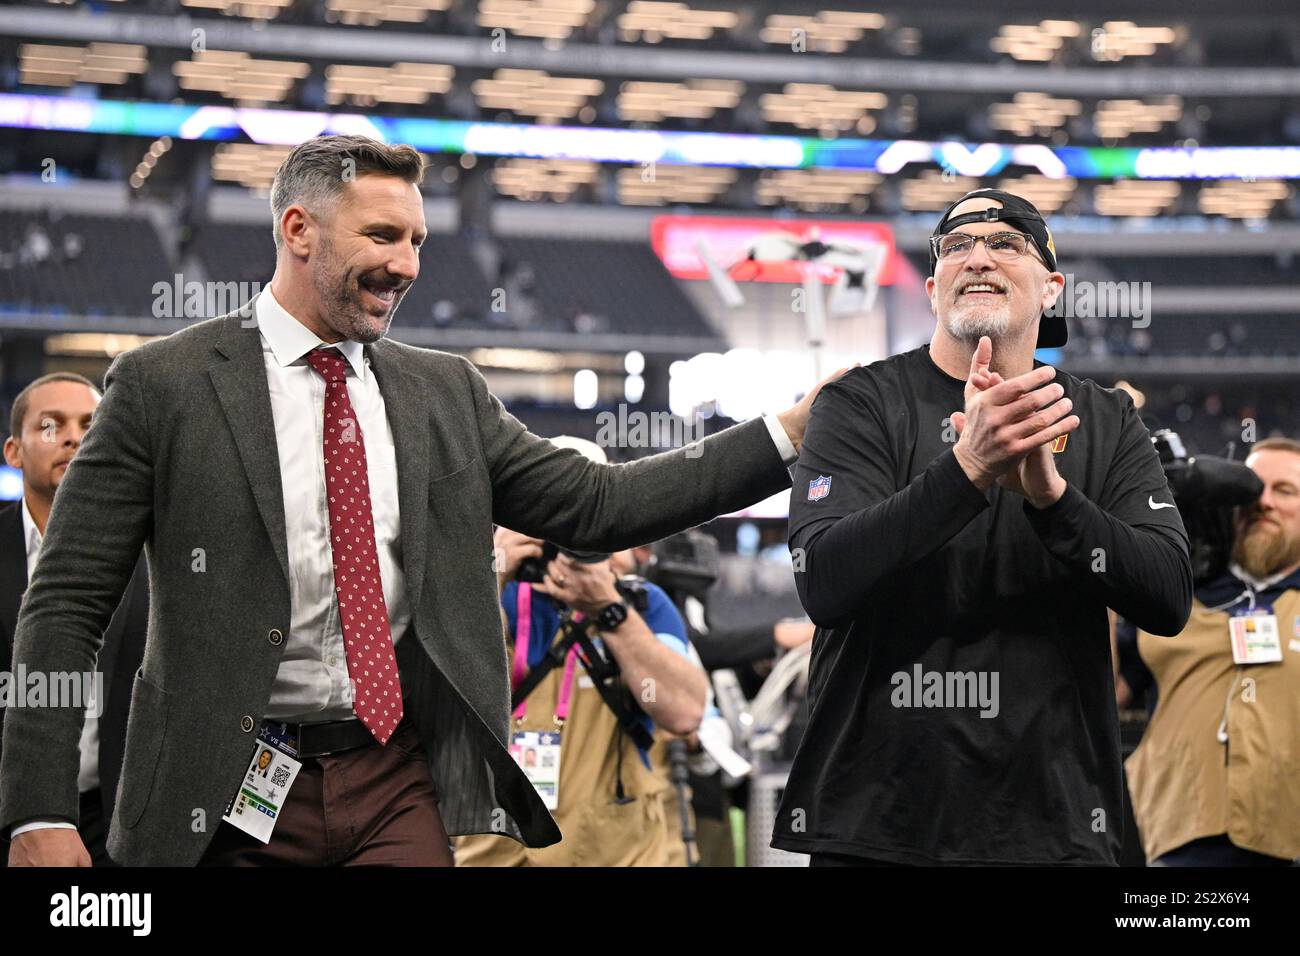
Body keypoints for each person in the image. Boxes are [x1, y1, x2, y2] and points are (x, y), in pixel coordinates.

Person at [1, 134, 827, 867]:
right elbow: (66, 602)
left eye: (418, 240)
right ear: (298, 230)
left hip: (391, 775)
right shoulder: (161, 386)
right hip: (222, 780)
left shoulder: (444, 392)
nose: (408, 264)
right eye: (383, 235)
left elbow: (599, 505)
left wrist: (788, 431)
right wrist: (37, 807)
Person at [771, 188, 1193, 866]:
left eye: (1006, 243)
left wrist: (1055, 502)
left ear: (1052, 287)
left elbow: (1169, 597)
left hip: (1055, 826)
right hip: (878, 826)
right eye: (958, 246)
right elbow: (823, 582)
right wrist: (968, 468)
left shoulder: (1107, 420)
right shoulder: (858, 403)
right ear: (934, 287)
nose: (979, 257)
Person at [1125, 437, 1300, 866]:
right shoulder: (1174, 598)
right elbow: (1102, 690)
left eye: (1286, 491)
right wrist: (1129, 536)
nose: (1264, 503)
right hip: (1178, 845)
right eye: (1252, 489)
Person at [0, 373, 148, 867]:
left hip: (121, 825)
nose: (72, 437)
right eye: (50, 425)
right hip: (12, 820)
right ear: (13, 451)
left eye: (90, 423)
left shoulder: (160, 553)